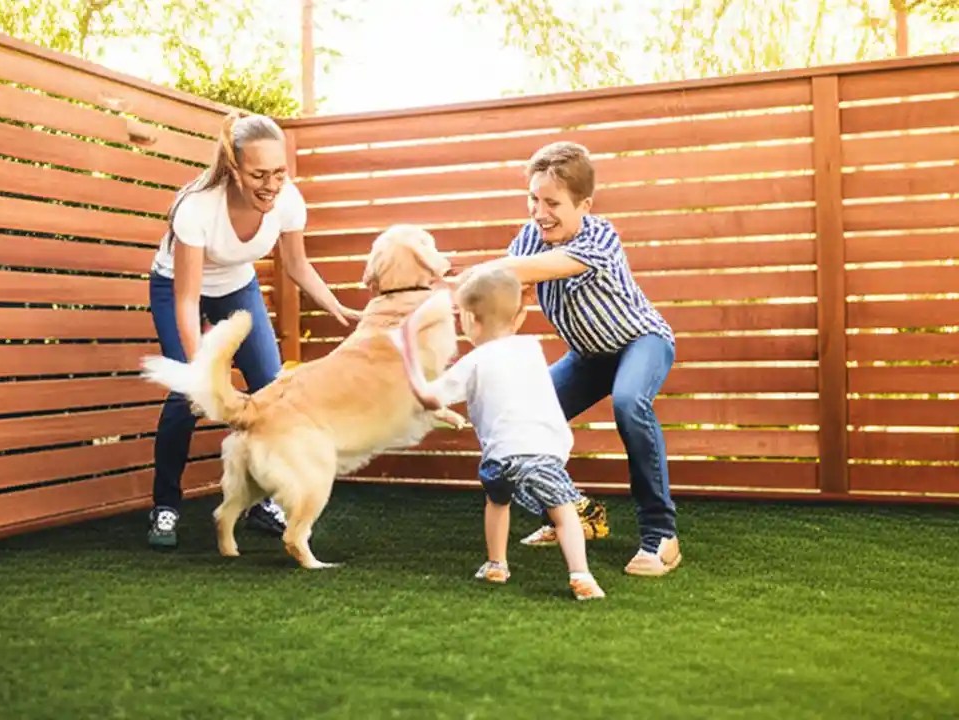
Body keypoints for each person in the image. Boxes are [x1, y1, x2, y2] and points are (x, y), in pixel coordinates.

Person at [453, 141, 682, 577]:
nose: (540, 212)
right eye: (534, 199)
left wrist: (475, 276)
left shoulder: (600, 237)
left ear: (584, 205)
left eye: (552, 202)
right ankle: (575, 512)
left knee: (630, 403)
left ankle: (660, 533)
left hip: (641, 341)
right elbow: (502, 295)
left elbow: (522, 271)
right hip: (589, 356)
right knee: (519, 420)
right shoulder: (528, 239)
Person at [146, 112, 361, 548]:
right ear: (233, 170)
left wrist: (336, 305)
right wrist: (202, 369)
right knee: (188, 393)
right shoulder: (197, 207)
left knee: (270, 389)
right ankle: (165, 505)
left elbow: (297, 265)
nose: (271, 184)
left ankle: (262, 503)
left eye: (279, 172)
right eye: (259, 174)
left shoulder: (288, 200)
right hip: (176, 287)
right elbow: (188, 300)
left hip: (236, 286)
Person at [394, 269, 605, 600]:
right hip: (543, 454)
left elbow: (430, 396)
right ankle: (581, 574)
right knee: (563, 514)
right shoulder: (531, 350)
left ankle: (496, 564)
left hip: (500, 458)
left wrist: (411, 365)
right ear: (518, 316)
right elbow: (511, 320)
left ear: (468, 320)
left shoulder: (474, 362)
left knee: (497, 501)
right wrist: (518, 305)